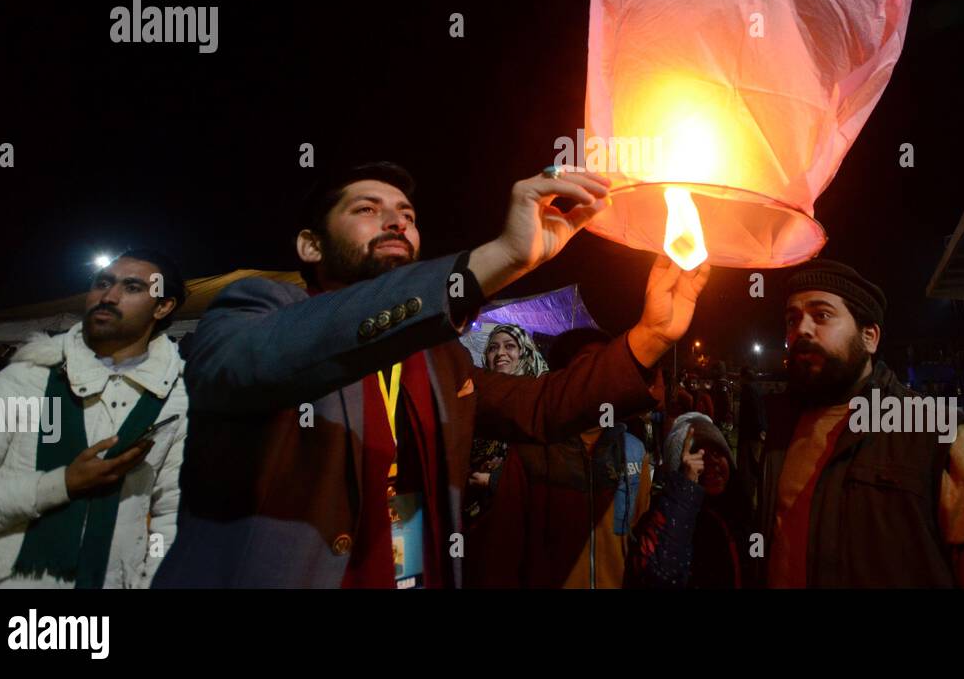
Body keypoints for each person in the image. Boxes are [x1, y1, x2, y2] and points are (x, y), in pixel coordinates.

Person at [153, 161, 710, 588]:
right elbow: (261, 361)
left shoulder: (437, 356)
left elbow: (541, 407)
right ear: (310, 244)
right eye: (367, 208)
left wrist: (651, 337)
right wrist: (498, 260)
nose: (397, 219)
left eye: (408, 215)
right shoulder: (257, 310)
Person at [753, 259, 964, 588]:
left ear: (869, 337)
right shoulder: (780, 428)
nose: (801, 330)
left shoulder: (940, 436)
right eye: (791, 319)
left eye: (822, 315)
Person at [0, 250, 189, 588]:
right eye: (102, 283)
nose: (109, 297)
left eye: (133, 288)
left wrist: (149, 582)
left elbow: (172, 517)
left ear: (163, 307)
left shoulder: (179, 399)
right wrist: (60, 485)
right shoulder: (24, 379)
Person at [466, 327, 663, 589]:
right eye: (586, 371)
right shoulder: (531, 453)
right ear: (563, 381)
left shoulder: (634, 452)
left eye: (604, 368)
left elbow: (639, 539)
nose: (597, 380)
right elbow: (503, 555)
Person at [628, 411, 751, 589]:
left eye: (717, 452)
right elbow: (660, 573)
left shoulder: (738, 506)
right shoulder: (666, 515)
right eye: (698, 456)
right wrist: (686, 487)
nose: (712, 462)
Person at [466, 324, 548, 521]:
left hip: (525, 513)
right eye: (493, 348)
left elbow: (549, 464)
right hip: (476, 513)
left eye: (509, 346)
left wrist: (494, 480)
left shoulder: (540, 398)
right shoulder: (473, 397)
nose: (500, 353)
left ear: (524, 352)